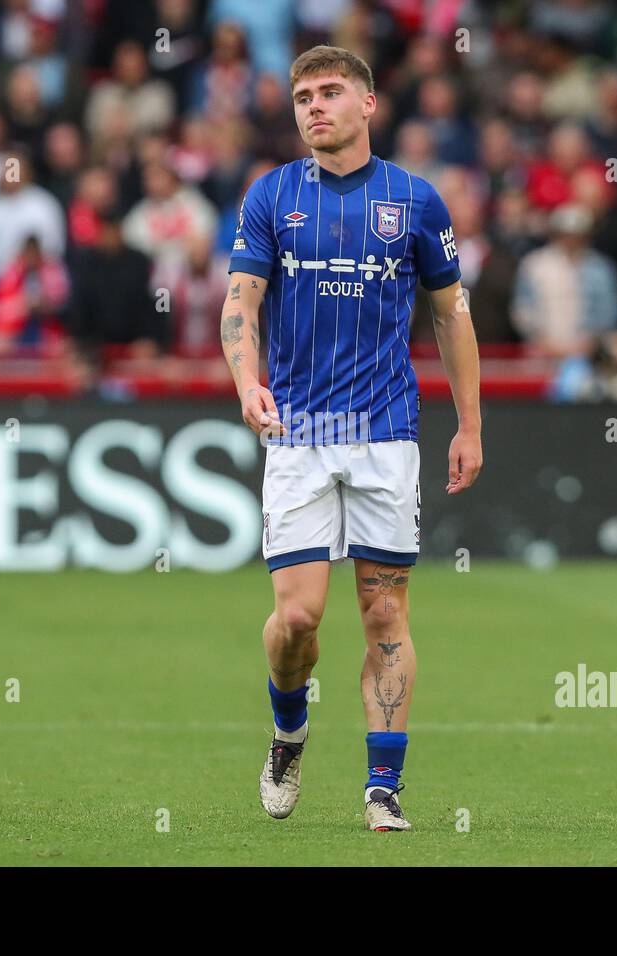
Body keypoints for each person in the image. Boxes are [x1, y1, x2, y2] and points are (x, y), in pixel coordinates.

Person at [222, 46, 482, 832]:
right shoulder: (271, 196)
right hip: (299, 434)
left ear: (369, 104)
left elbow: (450, 315)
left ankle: (382, 788)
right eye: (303, 96)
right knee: (298, 619)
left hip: (385, 435)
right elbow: (242, 302)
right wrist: (247, 383)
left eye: (331, 92)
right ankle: (289, 729)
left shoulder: (416, 200)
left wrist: (470, 423)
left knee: (384, 616)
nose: (314, 107)